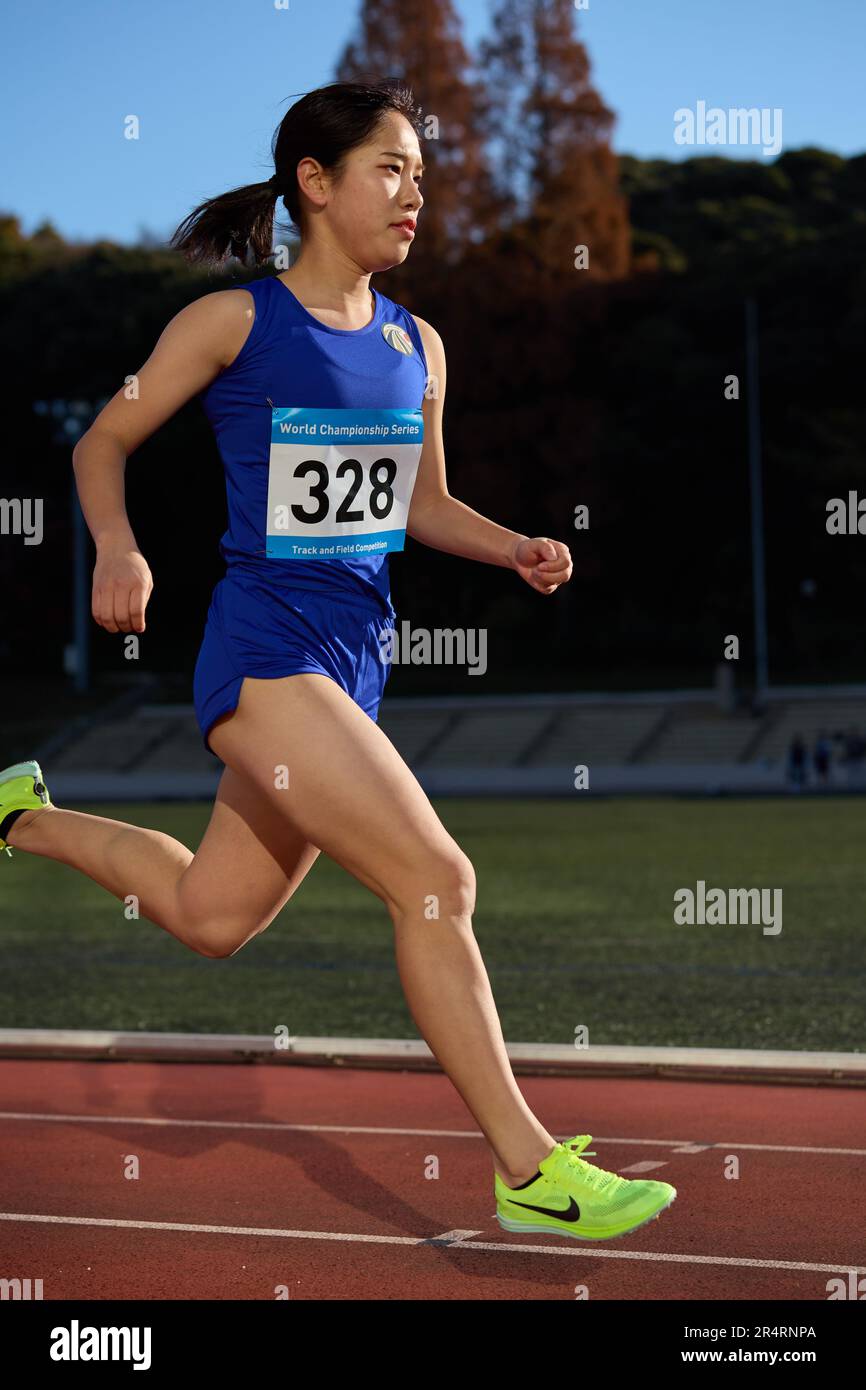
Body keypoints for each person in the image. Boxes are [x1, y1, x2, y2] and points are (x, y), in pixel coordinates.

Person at [0, 80, 674, 1242]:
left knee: (212, 915)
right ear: (314, 182)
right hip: (265, 653)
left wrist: (510, 545)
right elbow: (102, 440)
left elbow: (421, 503)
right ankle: (526, 1167)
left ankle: (22, 817)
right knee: (437, 879)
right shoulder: (233, 323)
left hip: (354, 664)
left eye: (421, 173)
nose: (415, 193)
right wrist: (118, 546)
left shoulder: (419, 345)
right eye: (390, 168)